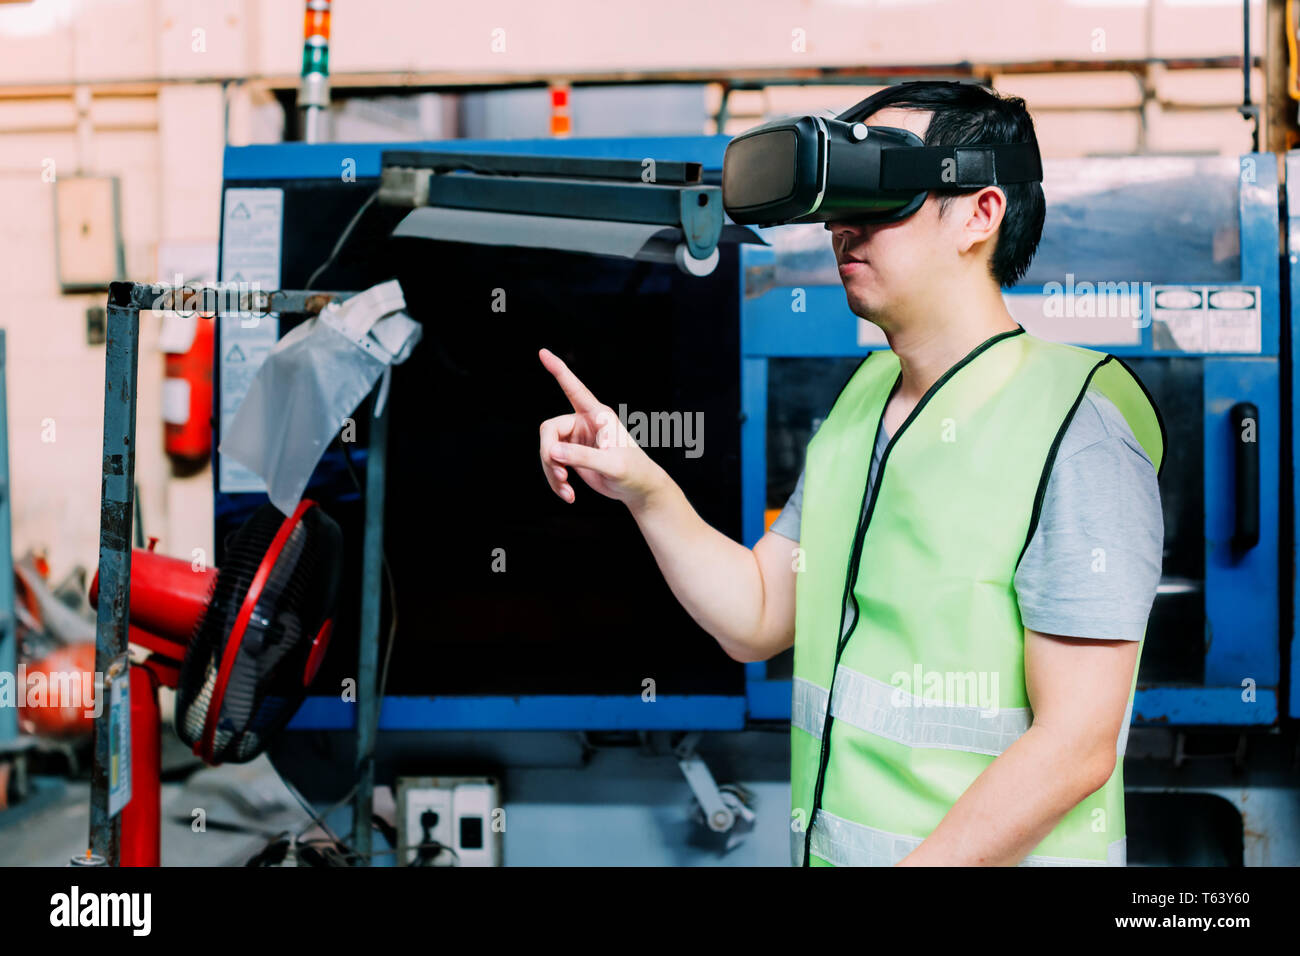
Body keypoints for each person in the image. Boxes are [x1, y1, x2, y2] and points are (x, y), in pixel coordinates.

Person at [536, 80, 1164, 867]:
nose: (842, 226)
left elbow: (1074, 746)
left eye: (883, 192)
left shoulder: (1077, 424)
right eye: (839, 200)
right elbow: (758, 616)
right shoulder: (864, 400)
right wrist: (643, 486)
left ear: (981, 212)